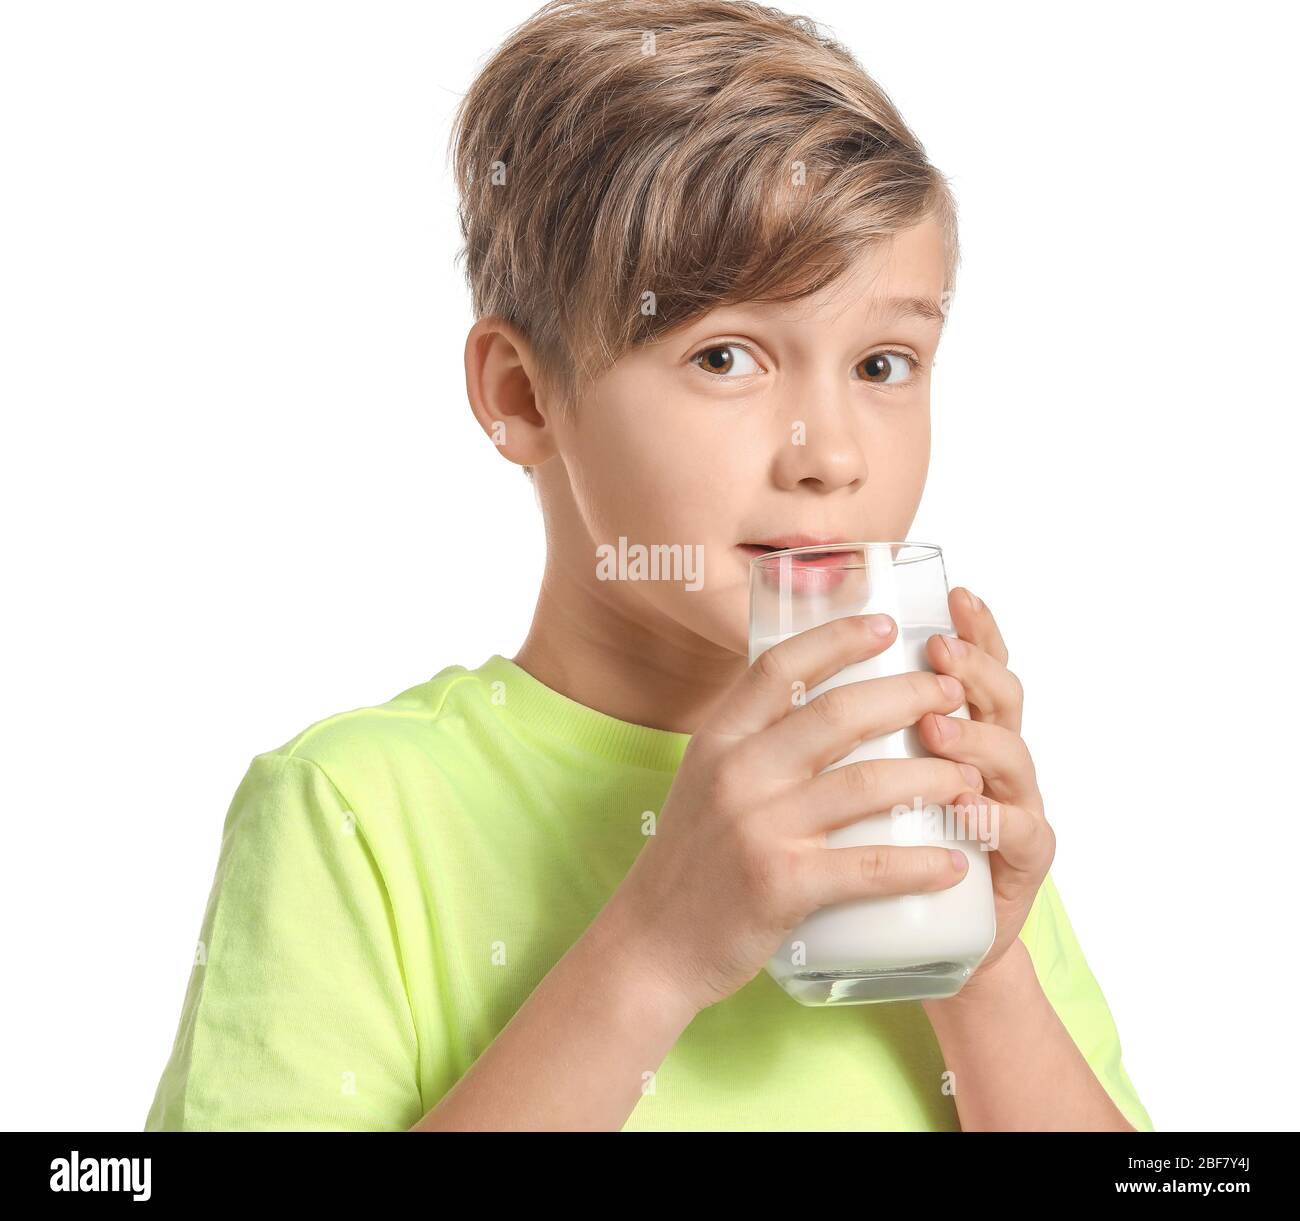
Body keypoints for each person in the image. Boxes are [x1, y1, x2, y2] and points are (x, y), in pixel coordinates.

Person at [145, 0, 1153, 1132]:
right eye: (727, 355)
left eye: (883, 362)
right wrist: (657, 950)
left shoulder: (925, 794)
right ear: (524, 396)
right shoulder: (353, 816)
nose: (831, 456)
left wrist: (981, 965)